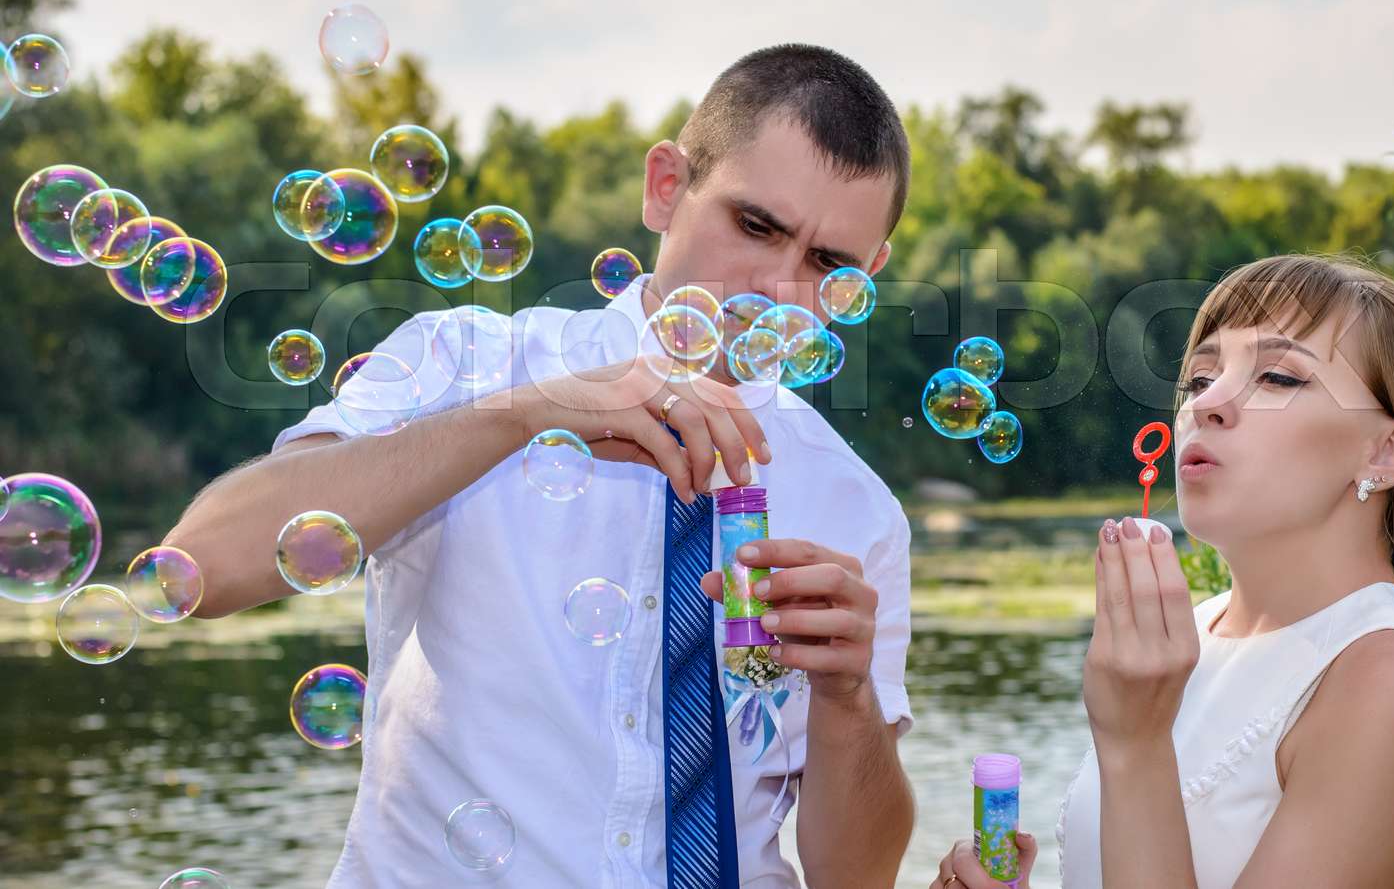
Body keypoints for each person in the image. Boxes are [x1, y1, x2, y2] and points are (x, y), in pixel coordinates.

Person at [166, 43, 918, 888]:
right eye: (755, 225)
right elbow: (203, 567)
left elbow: (856, 877)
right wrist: (523, 417)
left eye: (828, 264)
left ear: (867, 277)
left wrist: (849, 696)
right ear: (666, 186)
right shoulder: (470, 368)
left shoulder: (857, 507)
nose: (779, 291)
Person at [932, 252, 1394, 889]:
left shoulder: (1393, 681)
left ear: (1383, 452)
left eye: (1276, 377)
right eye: (1198, 380)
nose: (1209, 404)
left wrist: (1136, 742)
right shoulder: (1193, 636)